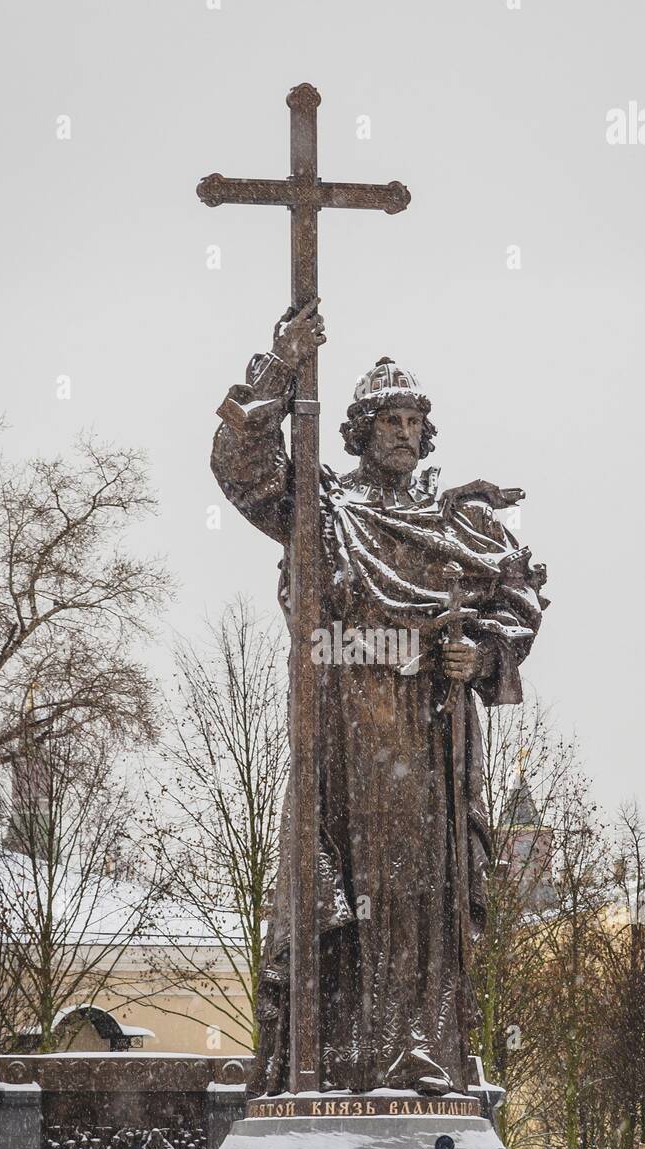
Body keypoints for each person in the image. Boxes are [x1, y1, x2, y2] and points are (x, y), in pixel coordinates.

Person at [212, 307, 548, 1098]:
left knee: (420, 901)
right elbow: (243, 470)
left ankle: (417, 1053)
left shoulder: (455, 524)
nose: (401, 431)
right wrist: (279, 368)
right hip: (341, 735)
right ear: (357, 432)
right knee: (338, 902)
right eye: (386, 420)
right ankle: (327, 1062)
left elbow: (519, 604)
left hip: (428, 739)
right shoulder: (324, 513)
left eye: (411, 420)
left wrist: (483, 653)